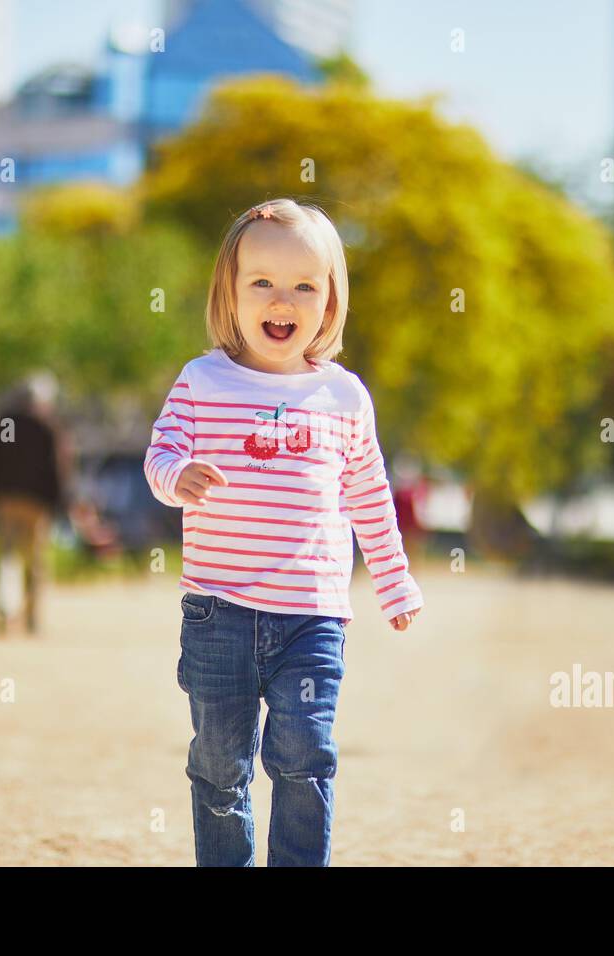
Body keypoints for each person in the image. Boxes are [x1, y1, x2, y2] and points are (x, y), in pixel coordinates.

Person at [143, 199, 424, 867]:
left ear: (330, 301)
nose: (282, 298)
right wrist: (176, 473)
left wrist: (394, 580)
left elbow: (370, 498)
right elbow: (158, 454)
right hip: (219, 612)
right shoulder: (202, 382)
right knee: (220, 764)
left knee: (304, 758)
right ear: (229, 294)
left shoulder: (345, 397)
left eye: (305, 284)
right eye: (261, 281)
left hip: (313, 619)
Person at [0, 372, 70, 635]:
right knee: (34, 562)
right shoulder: (47, 427)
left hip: (7, 500)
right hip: (36, 504)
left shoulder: (3, 423)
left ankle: (2, 615)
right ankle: (31, 617)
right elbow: (57, 468)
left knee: (5, 558)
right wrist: (58, 502)